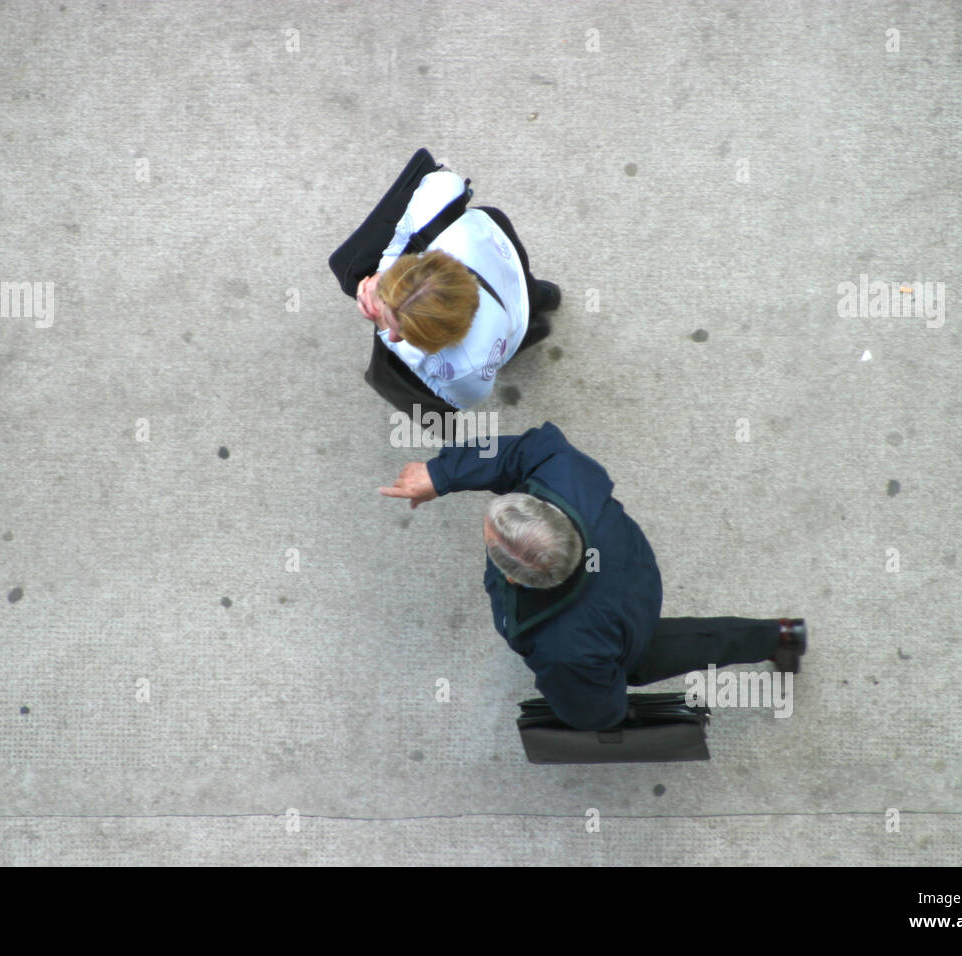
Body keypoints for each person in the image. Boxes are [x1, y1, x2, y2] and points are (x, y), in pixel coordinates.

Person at [378, 422, 807, 731]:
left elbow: (592, 710)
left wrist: (606, 719)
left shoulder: (567, 649)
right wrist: (442, 474)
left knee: (633, 661)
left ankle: (776, 637)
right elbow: (520, 452)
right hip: (634, 571)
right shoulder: (564, 474)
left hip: (615, 626)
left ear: (516, 581)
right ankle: (780, 635)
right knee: (636, 644)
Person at [333, 157, 561, 415]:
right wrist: (384, 277)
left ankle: (529, 327)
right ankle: (542, 296)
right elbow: (440, 187)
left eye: (407, 336)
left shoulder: (467, 368)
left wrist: (387, 330)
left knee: (515, 327)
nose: (395, 337)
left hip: (504, 325)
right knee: (528, 290)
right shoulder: (438, 196)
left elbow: (455, 399)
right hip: (500, 250)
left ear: (448, 337)